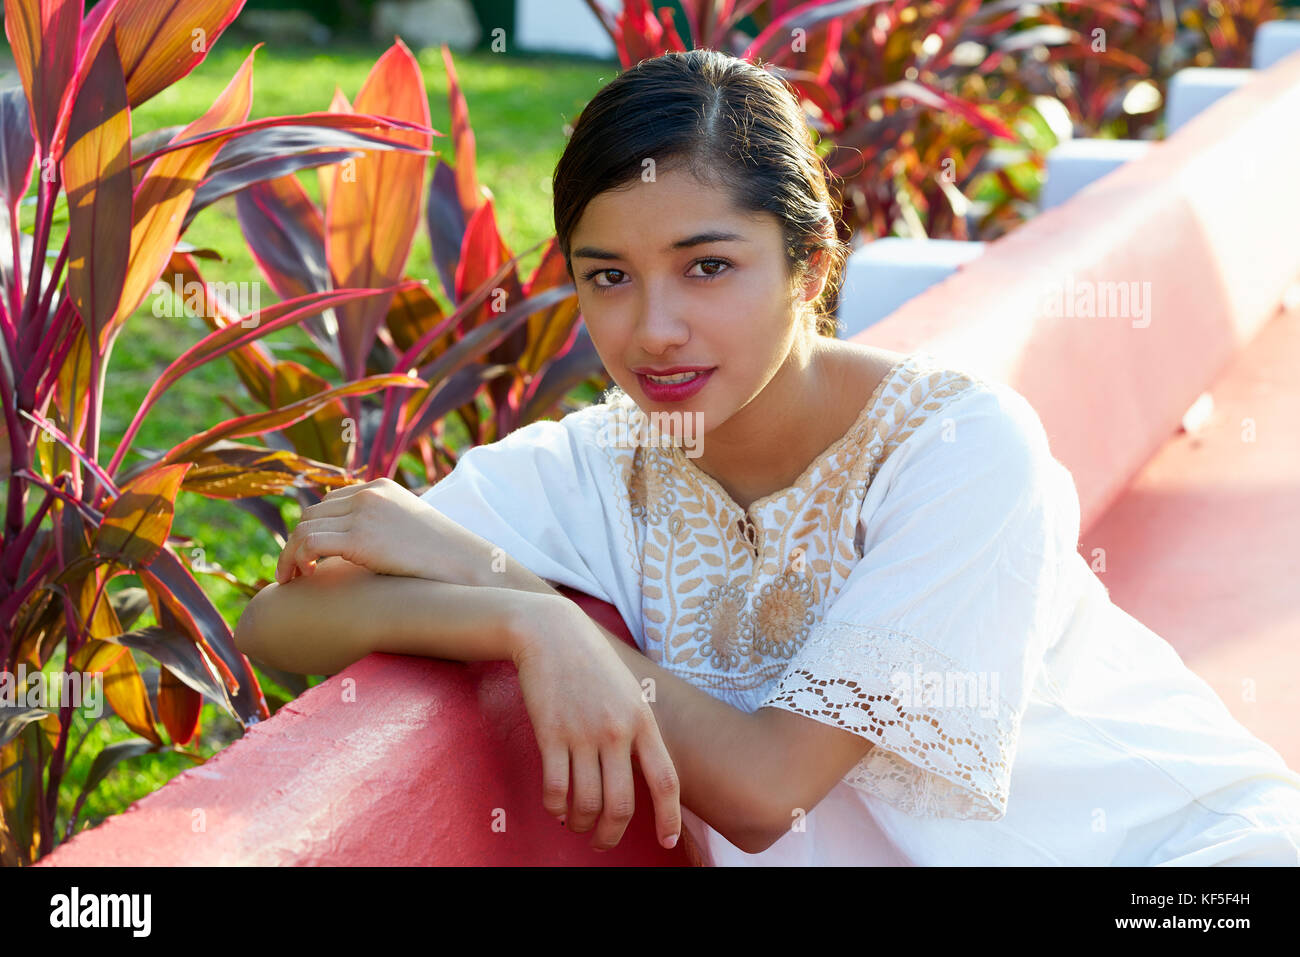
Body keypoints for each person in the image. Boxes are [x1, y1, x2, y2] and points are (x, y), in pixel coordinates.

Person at [246, 49, 1300, 865]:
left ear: (810, 265)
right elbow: (280, 618)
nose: (654, 328)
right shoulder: (592, 469)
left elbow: (766, 790)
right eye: (606, 277)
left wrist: (547, 615)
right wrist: (519, 616)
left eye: (708, 267)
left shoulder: (955, 448)